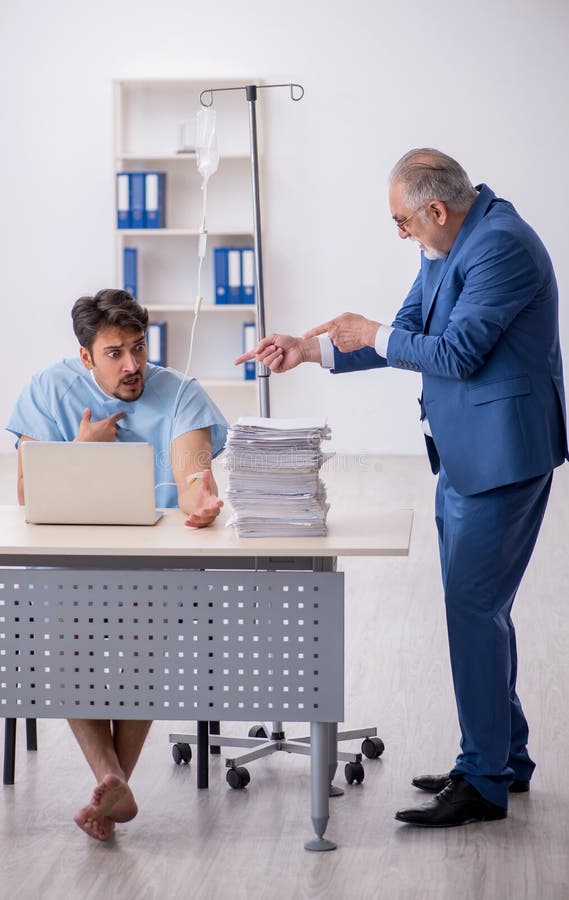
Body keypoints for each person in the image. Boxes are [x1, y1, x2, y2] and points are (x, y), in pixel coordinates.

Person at [236, 149, 568, 827]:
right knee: (477, 610)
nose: (402, 235)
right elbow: (407, 332)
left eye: (402, 222)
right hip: (463, 451)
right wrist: (314, 350)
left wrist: (376, 333)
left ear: (434, 210)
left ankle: (482, 781)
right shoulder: (449, 241)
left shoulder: (500, 246)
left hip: (503, 454)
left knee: (472, 612)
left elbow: (454, 353)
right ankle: (503, 757)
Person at [7, 288, 228, 841]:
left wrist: (199, 497)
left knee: (145, 636)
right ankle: (114, 783)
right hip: (66, 568)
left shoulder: (180, 394)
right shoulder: (48, 390)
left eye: (139, 347)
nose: (133, 366)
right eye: (114, 353)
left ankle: (110, 782)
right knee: (64, 638)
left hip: (152, 574)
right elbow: (28, 493)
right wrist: (80, 450)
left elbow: (193, 474)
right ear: (86, 356)